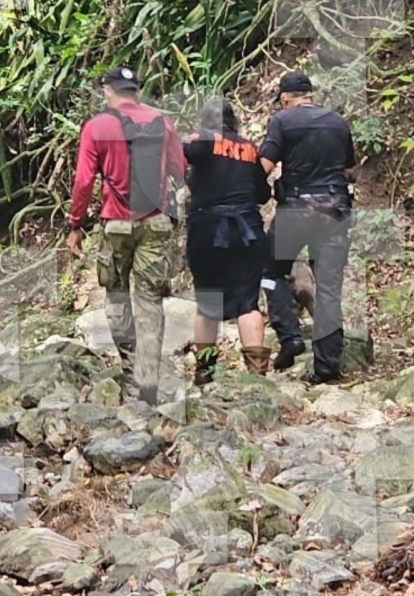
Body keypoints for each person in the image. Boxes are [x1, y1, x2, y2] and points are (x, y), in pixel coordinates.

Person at [66, 66, 186, 404]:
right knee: (150, 300)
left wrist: (75, 226)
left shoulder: (97, 127)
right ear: (136, 91)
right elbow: (180, 169)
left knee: (116, 296)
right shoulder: (163, 123)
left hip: (116, 224)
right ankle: (149, 378)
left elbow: (84, 182)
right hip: (157, 223)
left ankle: (131, 368)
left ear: (108, 91)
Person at [257, 71, 356, 385]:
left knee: (270, 273)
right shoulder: (338, 122)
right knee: (328, 290)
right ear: (310, 94)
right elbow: (348, 169)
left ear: (286, 98)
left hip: (295, 212)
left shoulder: (283, 121)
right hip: (334, 212)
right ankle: (326, 368)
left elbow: (264, 166)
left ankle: (289, 335)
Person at [181, 99, 273, 385]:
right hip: (247, 230)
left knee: (208, 303)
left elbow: (179, 155)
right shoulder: (248, 148)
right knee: (248, 302)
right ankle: (256, 379)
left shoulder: (204, 140)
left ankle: (205, 374)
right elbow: (262, 194)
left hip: (208, 231)